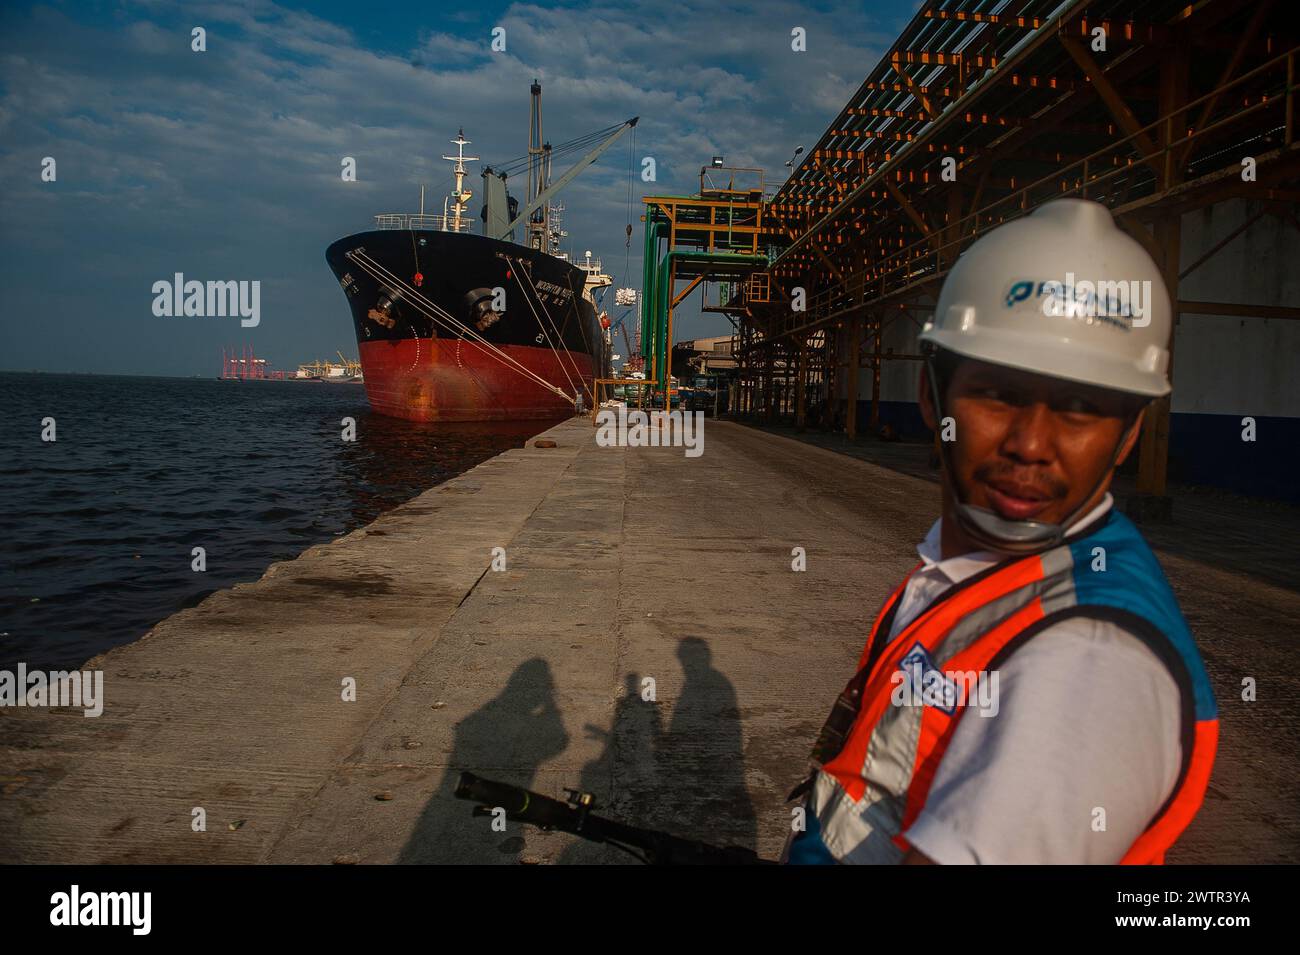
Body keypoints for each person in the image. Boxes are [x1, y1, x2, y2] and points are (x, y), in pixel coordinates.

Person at [785, 199, 1218, 864]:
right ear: (933, 396)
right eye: (1000, 394)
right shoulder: (978, 572)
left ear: (1129, 432)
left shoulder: (1088, 662)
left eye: (1081, 410)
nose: (1031, 444)